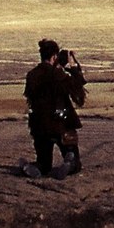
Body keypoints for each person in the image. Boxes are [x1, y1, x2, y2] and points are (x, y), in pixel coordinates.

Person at [23, 39, 87, 178]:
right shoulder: (57, 74)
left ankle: (37, 168)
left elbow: (31, 96)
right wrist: (73, 67)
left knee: (44, 164)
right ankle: (69, 163)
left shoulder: (32, 75)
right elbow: (77, 85)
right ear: (54, 57)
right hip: (61, 124)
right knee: (75, 163)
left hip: (39, 127)